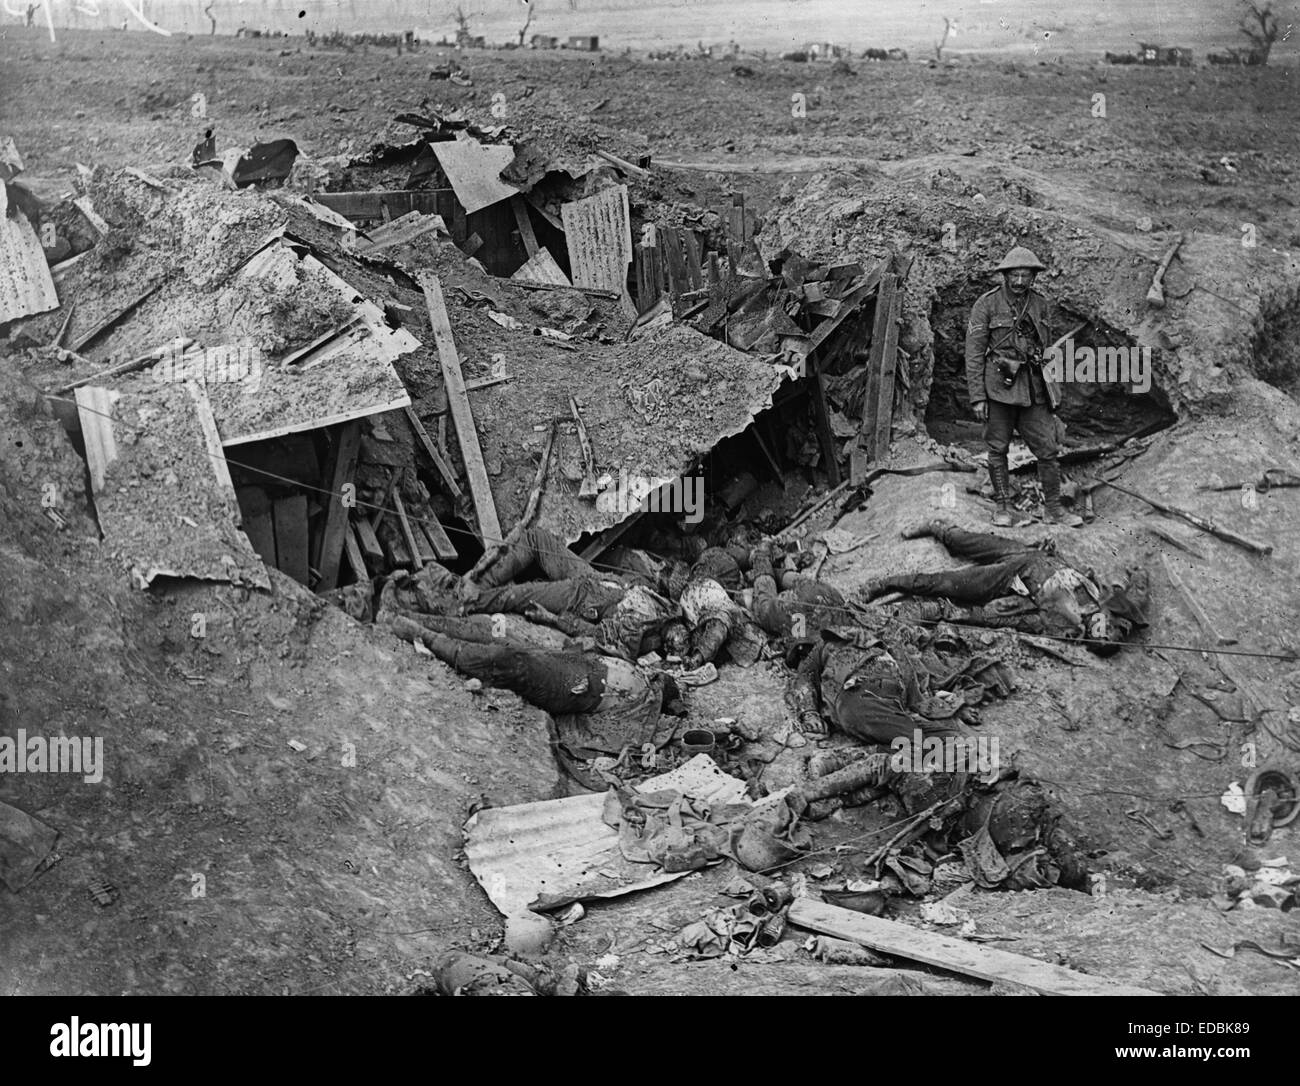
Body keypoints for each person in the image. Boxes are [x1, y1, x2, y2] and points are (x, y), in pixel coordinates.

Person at [388, 614, 682, 789]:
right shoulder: (645, 679)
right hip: (575, 665)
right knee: (500, 637)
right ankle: (415, 618)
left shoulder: (643, 707)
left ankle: (424, 636)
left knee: (511, 662)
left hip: (575, 687)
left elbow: (617, 735)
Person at [860, 519, 1149, 654]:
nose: (1103, 628)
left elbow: (1014, 619)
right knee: (965, 541)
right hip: (1034, 553)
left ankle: (883, 584)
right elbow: (1136, 585)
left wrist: (972, 615)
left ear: (1088, 637)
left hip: (1010, 577)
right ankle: (938, 527)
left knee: (946, 583)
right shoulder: (1111, 603)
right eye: (1108, 630)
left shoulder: (1062, 624)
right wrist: (1132, 577)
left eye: (1099, 636)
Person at [967, 247, 1082, 528]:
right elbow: (973, 352)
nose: (1019, 281)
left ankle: (1053, 509)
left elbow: (1046, 348)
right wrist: (978, 397)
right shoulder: (987, 305)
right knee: (997, 449)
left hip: (1033, 389)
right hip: (998, 388)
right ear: (1005, 276)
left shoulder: (1040, 304)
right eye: (1014, 275)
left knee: (1048, 449)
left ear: (1033, 277)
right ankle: (1003, 506)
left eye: (1025, 276)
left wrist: (1053, 388)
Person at [786, 625, 965, 744]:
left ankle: (957, 746)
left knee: (914, 743)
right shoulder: (858, 636)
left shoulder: (819, 650)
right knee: (913, 733)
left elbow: (803, 680)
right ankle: (956, 739)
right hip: (889, 681)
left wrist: (809, 714)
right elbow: (901, 657)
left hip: (860, 691)